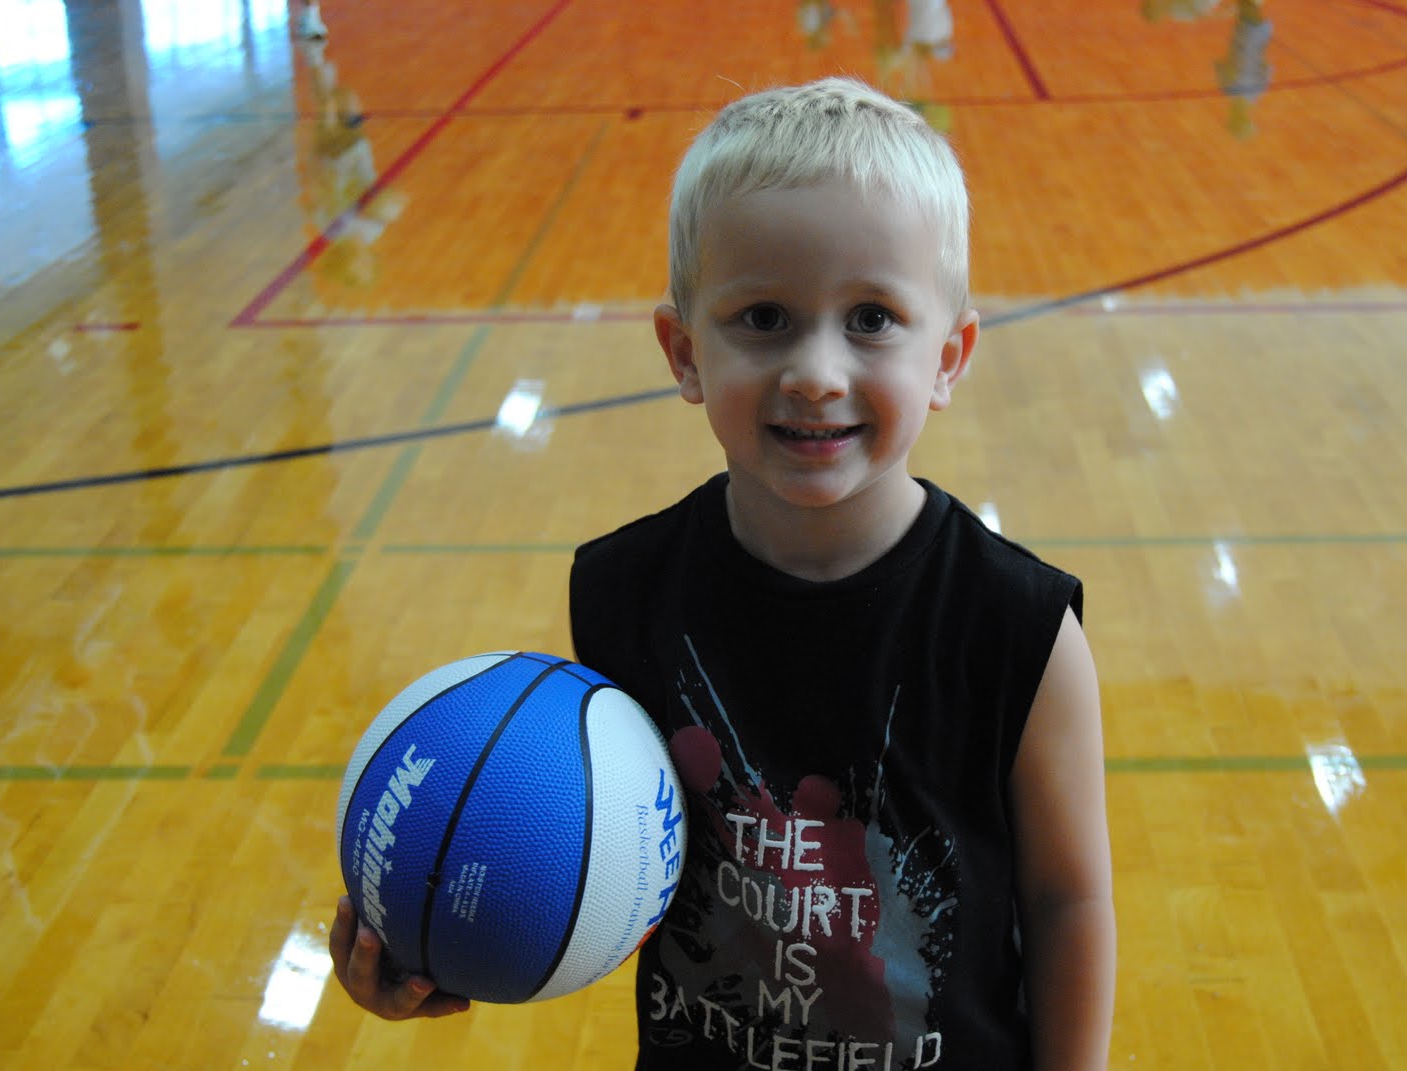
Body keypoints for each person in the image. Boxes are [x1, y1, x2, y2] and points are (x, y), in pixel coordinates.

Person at [329, 77, 1116, 1069]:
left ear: (949, 357)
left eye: (872, 319)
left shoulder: (1018, 627)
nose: (817, 372)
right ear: (683, 349)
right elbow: (610, 867)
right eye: (764, 318)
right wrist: (446, 943)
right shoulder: (622, 594)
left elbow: (1067, 900)